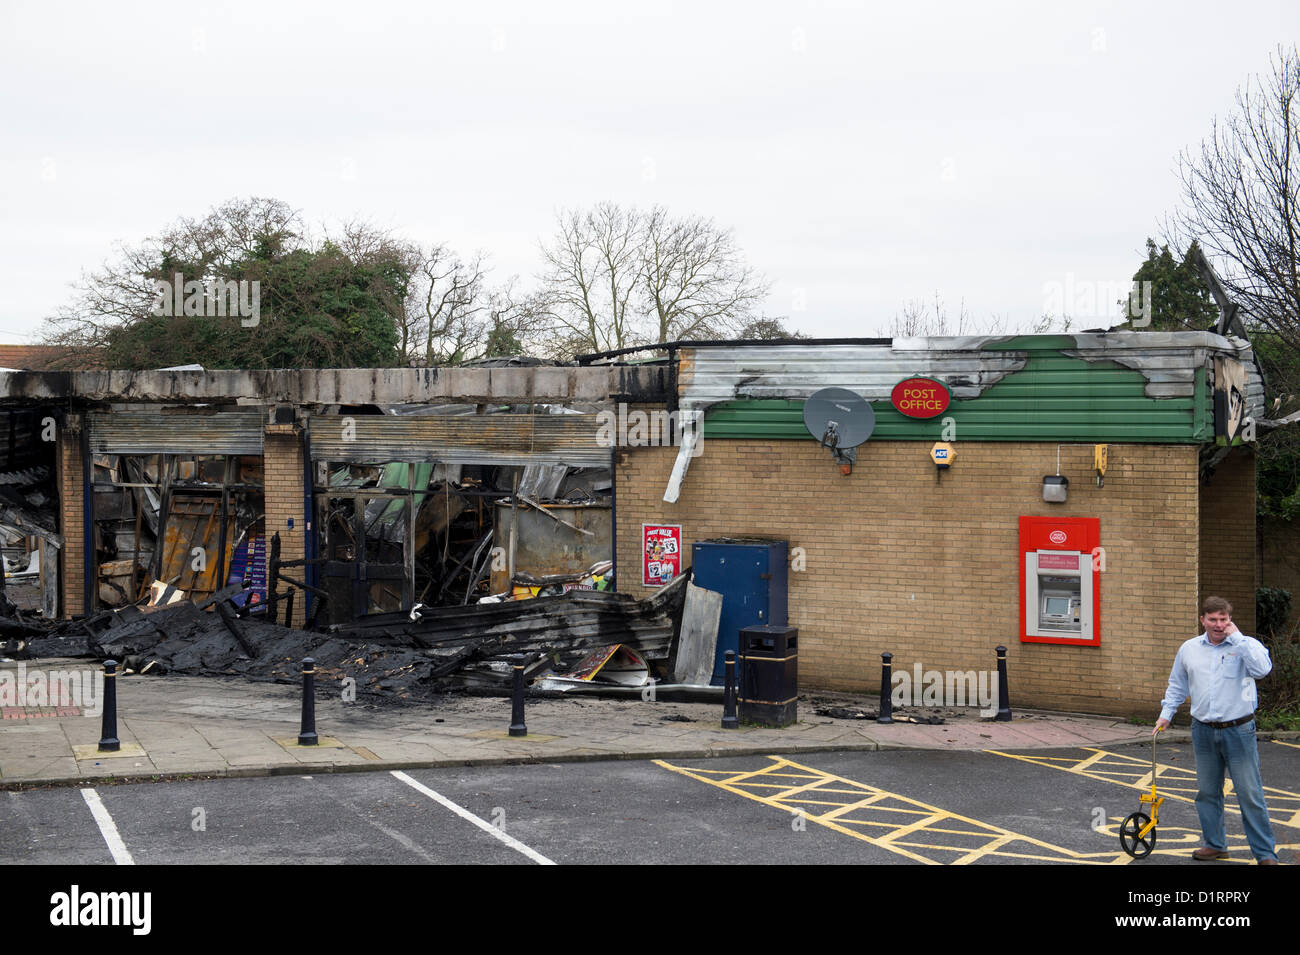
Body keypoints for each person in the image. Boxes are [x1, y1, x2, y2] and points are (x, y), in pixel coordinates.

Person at [1154, 596, 1278, 864]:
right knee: (1208, 792)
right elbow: (1177, 684)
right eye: (1213, 619)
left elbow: (1262, 670)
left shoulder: (1246, 646)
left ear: (1230, 620)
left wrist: (1239, 639)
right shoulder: (1189, 649)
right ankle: (1215, 844)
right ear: (1203, 620)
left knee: (1250, 794)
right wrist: (1166, 714)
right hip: (1203, 731)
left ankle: (1265, 854)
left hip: (1239, 730)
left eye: (1224, 619)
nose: (1219, 624)